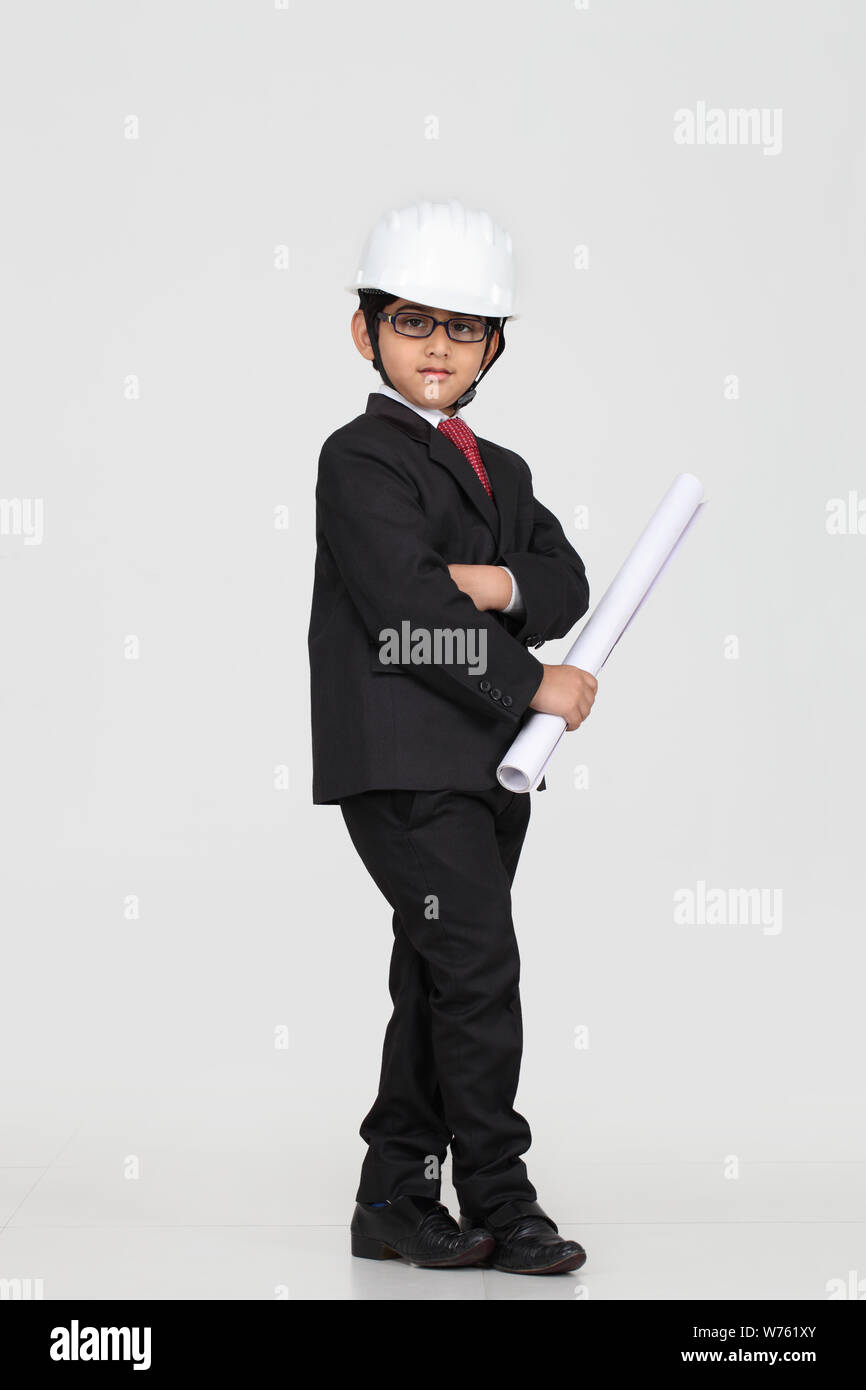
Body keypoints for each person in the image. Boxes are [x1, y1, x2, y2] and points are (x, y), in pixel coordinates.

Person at [307, 199, 598, 1274]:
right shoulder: (360, 460)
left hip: (481, 768)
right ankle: (499, 1196)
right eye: (413, 322)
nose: (437, 347)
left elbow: (562, 575)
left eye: (462, 328)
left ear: (493, 345)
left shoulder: (501, 469)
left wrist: (498, 579)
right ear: (365, 333)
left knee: (437, 971)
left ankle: (391, 1199)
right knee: (477, 970)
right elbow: (406, 610)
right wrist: (534, 680)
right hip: (402, 764)